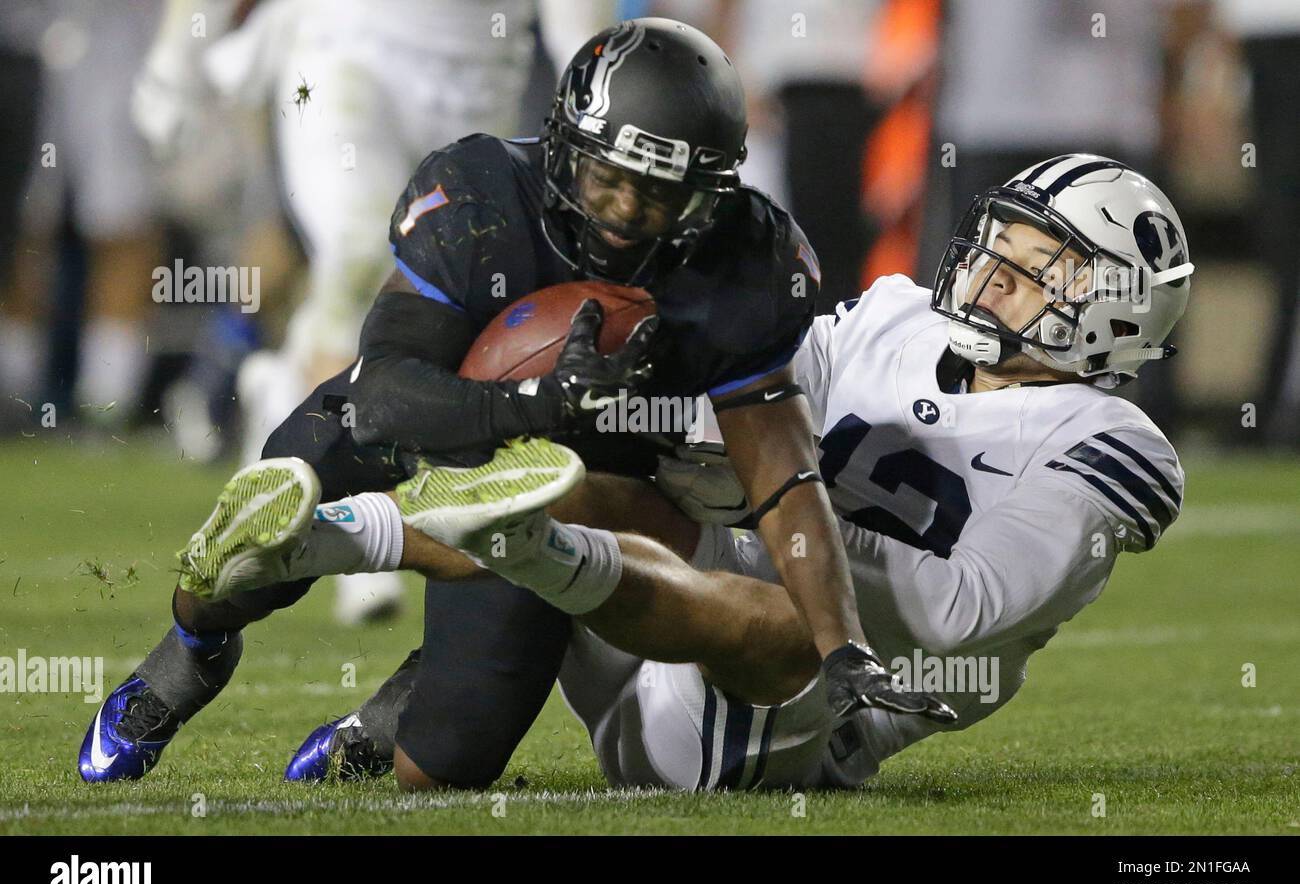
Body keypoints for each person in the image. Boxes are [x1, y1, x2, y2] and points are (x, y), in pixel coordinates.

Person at [78, 18, 905, 789]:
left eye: (657, 195)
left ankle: (409, 694)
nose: (623, 214)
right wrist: (540, 400)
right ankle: (188, 656)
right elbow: (388, 394)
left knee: (438, 771)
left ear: (712, 197)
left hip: (544, 491)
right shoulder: (479, 196)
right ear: (561, 146)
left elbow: (785, 478)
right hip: (417, 424)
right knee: (252, 536)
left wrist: (843, 647)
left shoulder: (742, 261)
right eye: (608, 177)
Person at [246, 154, 1191, 789]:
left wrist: (750, 524)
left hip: (780, 712)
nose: (994, 273)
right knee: (574, 443)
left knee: (738, 579)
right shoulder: (905, 314)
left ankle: (404, 562)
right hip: (667, 601)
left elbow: (961, 610)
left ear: (1117, 311)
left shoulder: (1107, 439)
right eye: (1001, 245)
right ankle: (352, 595)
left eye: (1039, 267)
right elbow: (761, 400)